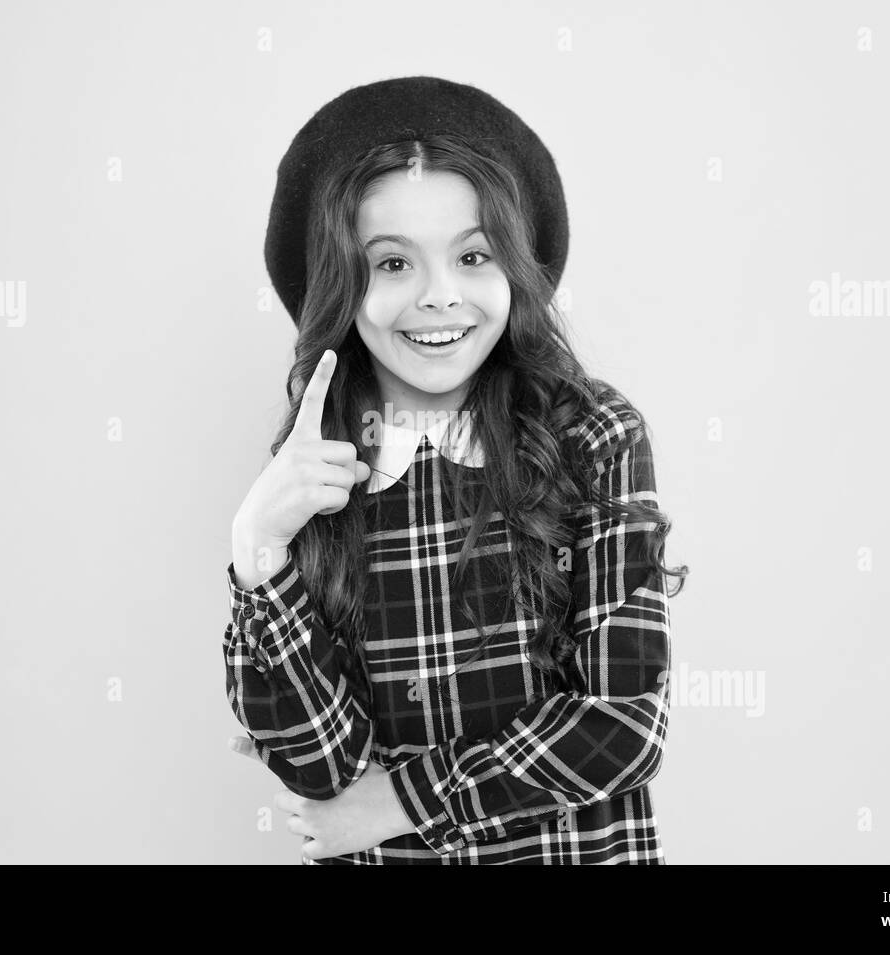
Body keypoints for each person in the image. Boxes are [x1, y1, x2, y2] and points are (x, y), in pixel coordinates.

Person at [223, 75, 689, 864]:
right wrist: (257, 545)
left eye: (472, 255)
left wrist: (399, 798)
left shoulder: (594, 438)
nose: (441, 296)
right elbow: (322, 767)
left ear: (515, 264)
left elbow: (621, 726)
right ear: (342, 282)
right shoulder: (319, 468)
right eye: (393, 264)